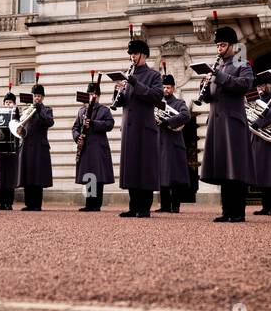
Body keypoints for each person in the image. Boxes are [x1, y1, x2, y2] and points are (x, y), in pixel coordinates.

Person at [198, 25, 255, 224]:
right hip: (217, 123)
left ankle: (238, 211)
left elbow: (244, 85)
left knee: (235, 168)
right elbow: (211, 97)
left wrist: (219, 77)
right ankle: (226, 210)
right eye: (218, 45)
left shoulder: (242, 64)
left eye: (222, 45)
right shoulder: (218, 67)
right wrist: (204, 88)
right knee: (222, 167)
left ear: (232, 46)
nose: (219, 49)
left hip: (233, 122)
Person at [114, 38, 165, 218]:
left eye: (134, 54)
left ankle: (144, 207)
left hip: (145, 128)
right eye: (131, 54)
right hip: (129, 128)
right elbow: (123, 102)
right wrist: (118, 92)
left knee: (144, 168)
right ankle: (133, 206)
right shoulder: (129, 75)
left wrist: (135, 83)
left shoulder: (153, 76)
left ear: (143, 55)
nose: (132, 57)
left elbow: (156, 96)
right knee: (131, 167)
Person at [247, 72, 271, 216]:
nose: (260, 88)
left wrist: (259, 123)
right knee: (262, 176)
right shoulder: (256, 100)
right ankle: (265, 206)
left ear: (269, 85)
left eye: (263, 85)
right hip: (258, 141)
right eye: (258, 86)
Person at [73, 79, 114, 212]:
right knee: (88, 175)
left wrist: (93, 123)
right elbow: (75, 127)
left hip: (98, 147)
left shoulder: (104, 110)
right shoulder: (81, 111)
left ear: (98, 96)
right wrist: (77, 137)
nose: (91, 97)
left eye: (94, 94)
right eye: (89, 94)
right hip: (85, 147)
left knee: (97, 176)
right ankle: (89, 203)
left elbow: (109, 124)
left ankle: (96, 204)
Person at [155, 75, 191, 214]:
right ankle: (164, 205)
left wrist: (168, 121)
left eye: (168, 87)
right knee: (162, 174)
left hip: (174, 143)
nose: (165, 90)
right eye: (164, 87)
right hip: (160, 142)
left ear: (173, 88)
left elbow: (186, 116)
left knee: (174, 176)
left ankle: (175, 206)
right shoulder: (158, 102)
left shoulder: (179, 103)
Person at [17, 83, 54, 211]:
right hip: (27, 145)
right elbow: (21, 127)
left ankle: (37, 204)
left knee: (37, 175)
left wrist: (39, 110)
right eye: (35, 96)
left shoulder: (47, 110)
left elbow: (49, 122)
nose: (37, 98)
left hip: (39, 146)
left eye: (39, 96)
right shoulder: (26, 110)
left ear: (42, 97)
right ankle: (28, 203)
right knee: (28, 174)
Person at [0, 90, 21, 211]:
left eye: (10, 102)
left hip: (13, 151)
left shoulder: (17, 115)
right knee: (1, 177)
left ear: (14, 104)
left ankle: (8, 203)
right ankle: (0, 202)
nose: (8, 104)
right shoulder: (0, 114)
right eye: (6, 102)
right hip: (1, 150)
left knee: (10, 177)